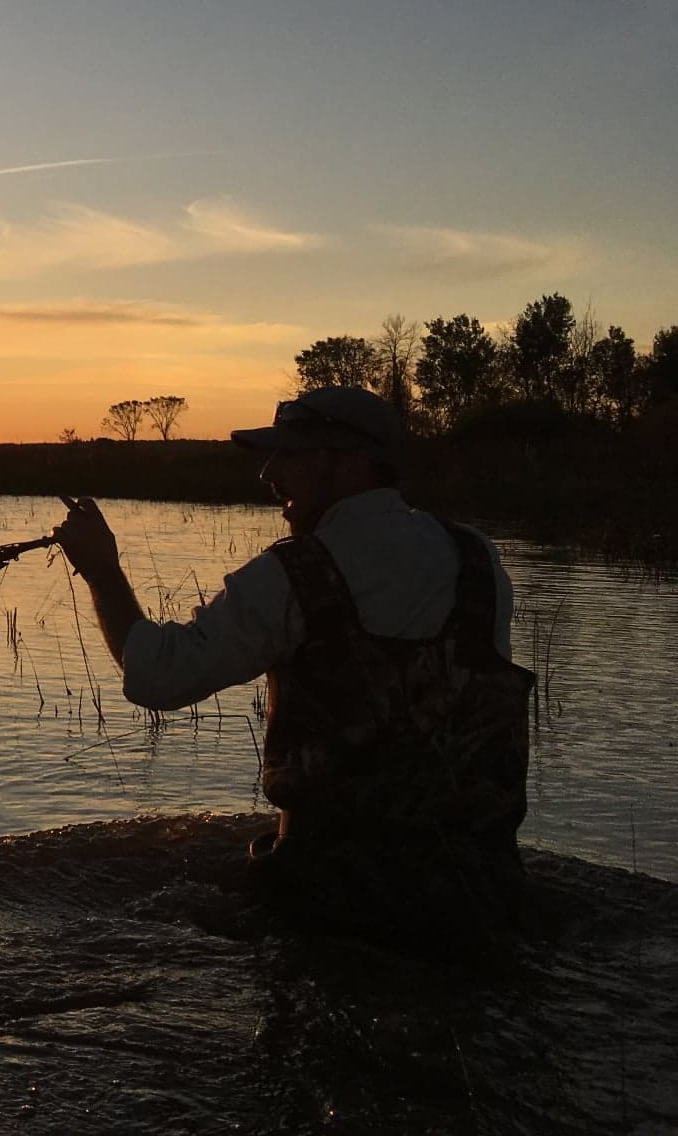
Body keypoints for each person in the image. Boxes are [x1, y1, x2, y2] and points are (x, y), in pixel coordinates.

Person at [51, 385, 534, 949]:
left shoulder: (292, 575)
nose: (269, 475)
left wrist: (103, 572)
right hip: (483, 905)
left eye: (291, 456)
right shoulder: (479, 560)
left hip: (329, 911)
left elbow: (158, 677)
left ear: (348, 463)